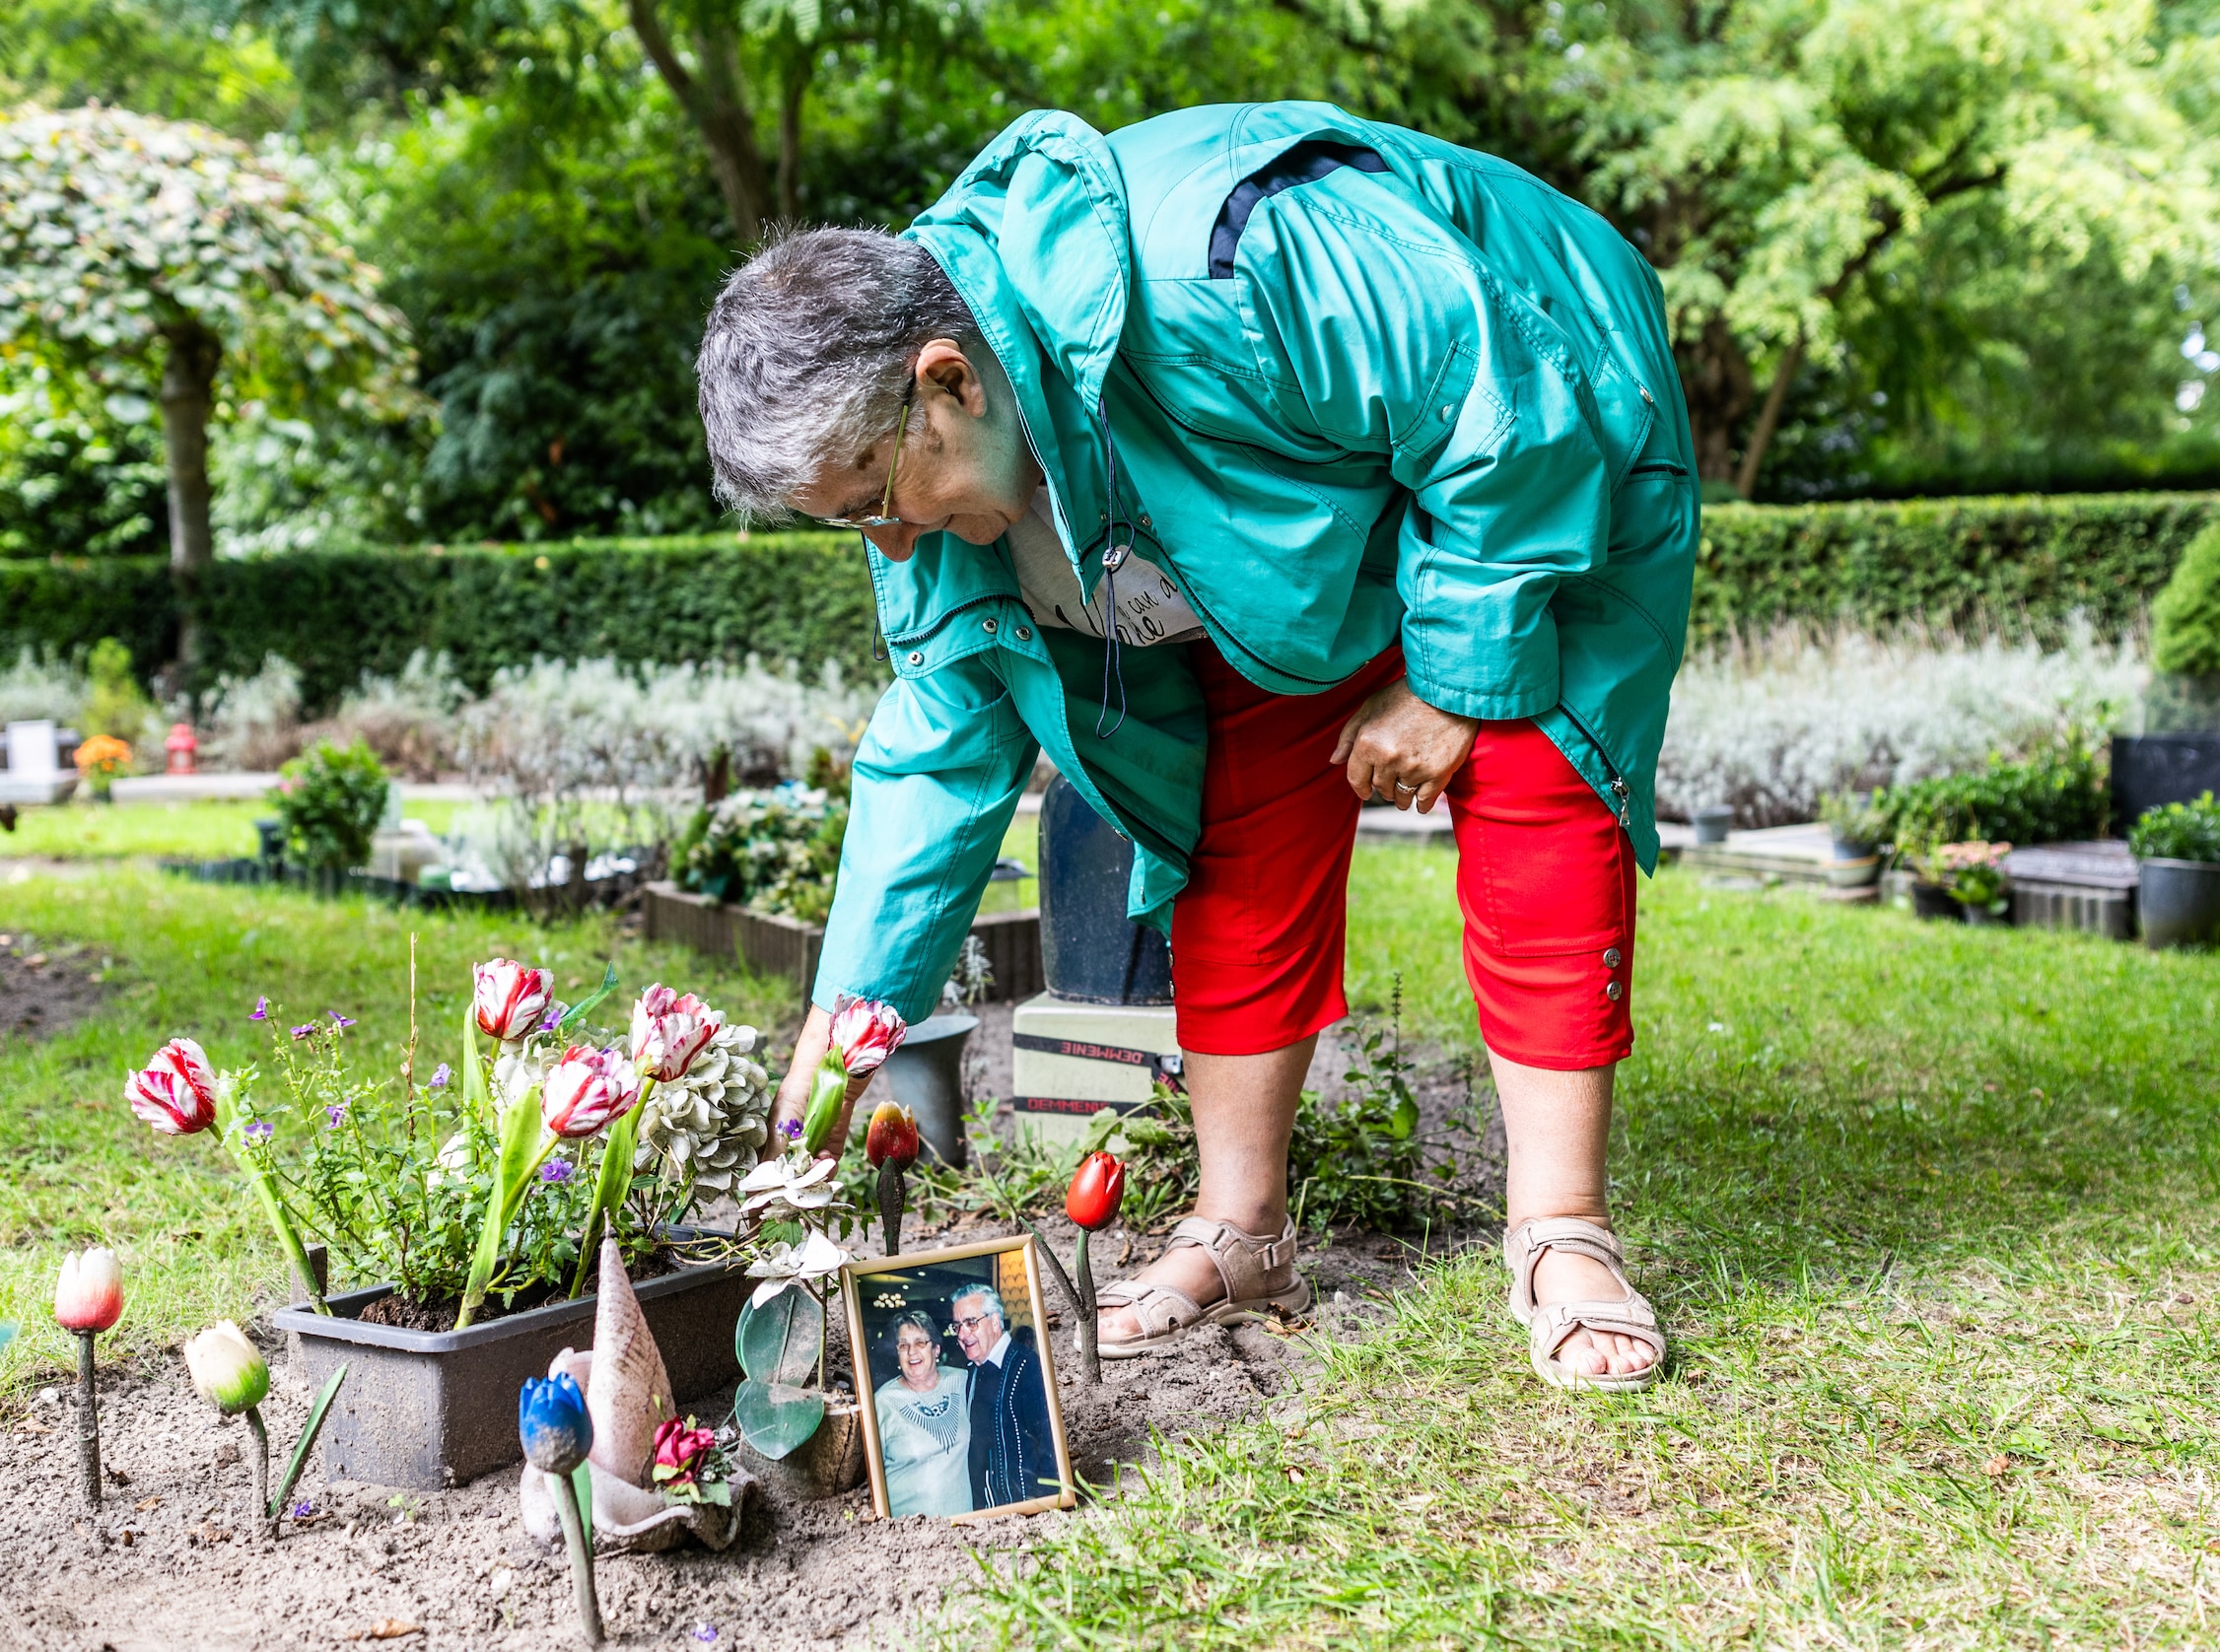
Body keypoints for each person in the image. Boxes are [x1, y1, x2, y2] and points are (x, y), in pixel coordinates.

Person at [703, 100, 1694, 1393]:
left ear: (946, 379)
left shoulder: (1227, 265)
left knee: (1526, 763)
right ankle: (1244, 1233)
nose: (889, 545)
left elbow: (1497, 397)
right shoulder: (944, 498)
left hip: (1545, 413)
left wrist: (1452, 687)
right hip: (1298, 522)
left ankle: (1563, 1233)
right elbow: (938, 762)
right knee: (1236, 816)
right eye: (850, 526)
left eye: (878, 501)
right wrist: (832, 1059)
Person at [949, 1282, 1059, 1508]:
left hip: (1026, 1506)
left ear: (995, 1321)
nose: (962, 1334)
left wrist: (1050, 1504)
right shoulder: (970, 1374)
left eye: (970, 1323)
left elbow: (1050, 1443)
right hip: (985, 1511)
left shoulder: (1027, 1365)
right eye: (957, 1326)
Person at [868, 1308, 973, 1517]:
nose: (911, 1352)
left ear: (936, 1349)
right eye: (903, 1345)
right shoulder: (883, 1402)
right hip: (908, 1530)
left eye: (920, 1343)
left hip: (966, 1525)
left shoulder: (963, 1381)